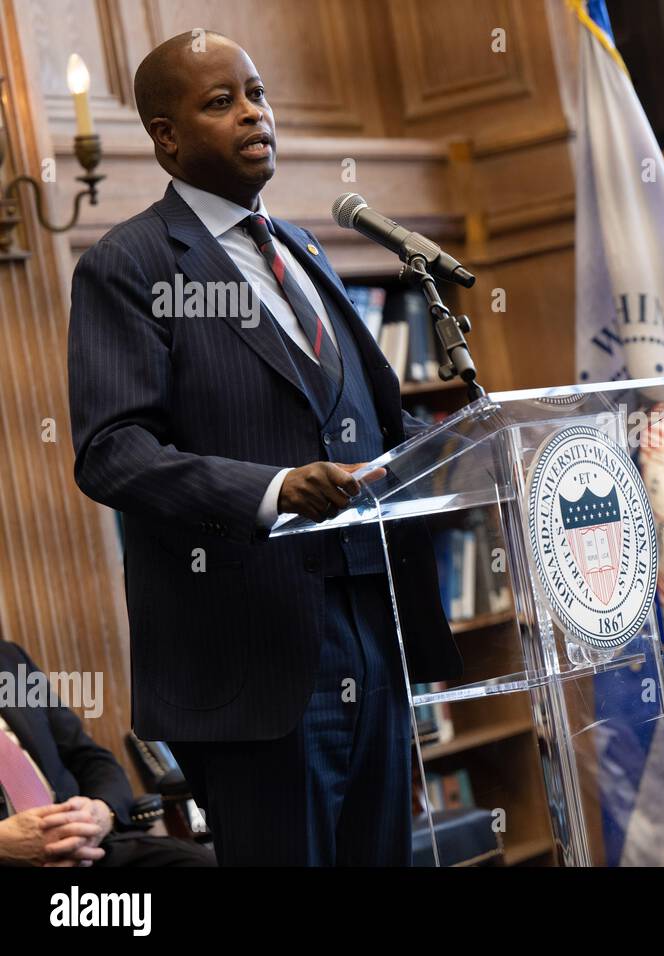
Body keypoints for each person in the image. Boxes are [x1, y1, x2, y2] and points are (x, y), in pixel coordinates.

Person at [66, 29, 459, 865]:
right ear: (165, 136)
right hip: (255, 655)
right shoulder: (127, 264)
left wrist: (455, 451)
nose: (254, 114)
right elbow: (112, 452)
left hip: (369, 624)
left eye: (258, 93)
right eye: (222, 102)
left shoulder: (302, 248)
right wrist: (274, 489)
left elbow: (363, 418)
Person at [0, 640, 214, 866]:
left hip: (90, 846)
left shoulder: (9, 658)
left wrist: (102, 812)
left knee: (198, 862)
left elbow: (91, 759)